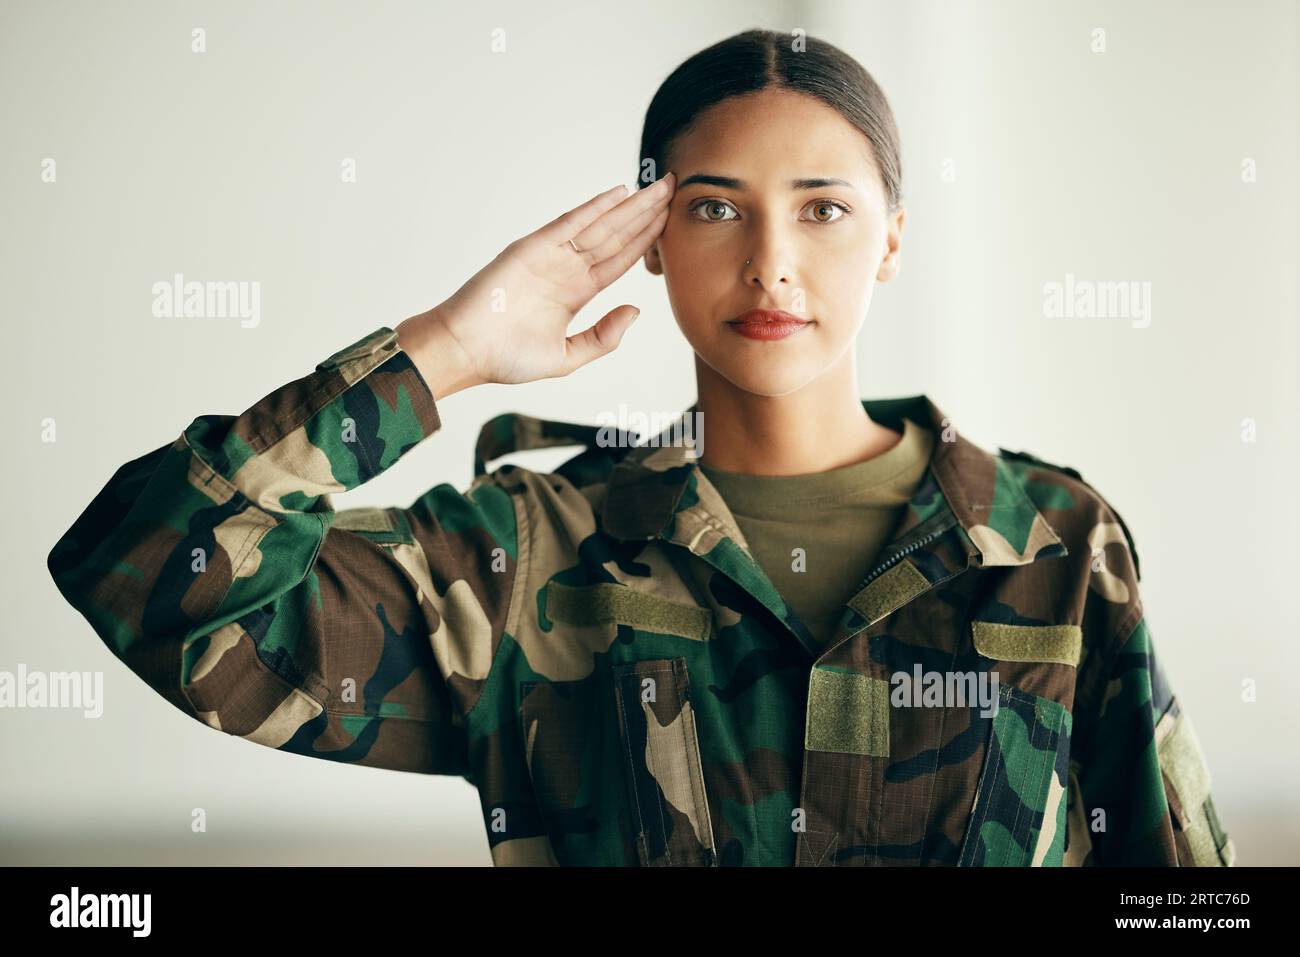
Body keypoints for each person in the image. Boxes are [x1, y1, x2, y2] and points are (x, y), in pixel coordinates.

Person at [47, 28, 1233, 867]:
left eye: (823, 208)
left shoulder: (1050, 543)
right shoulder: (525, 559)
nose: (770, 260)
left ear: (890, 240)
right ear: (650, 236)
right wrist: (445, 352)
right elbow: (147, 576)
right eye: (714, 206)